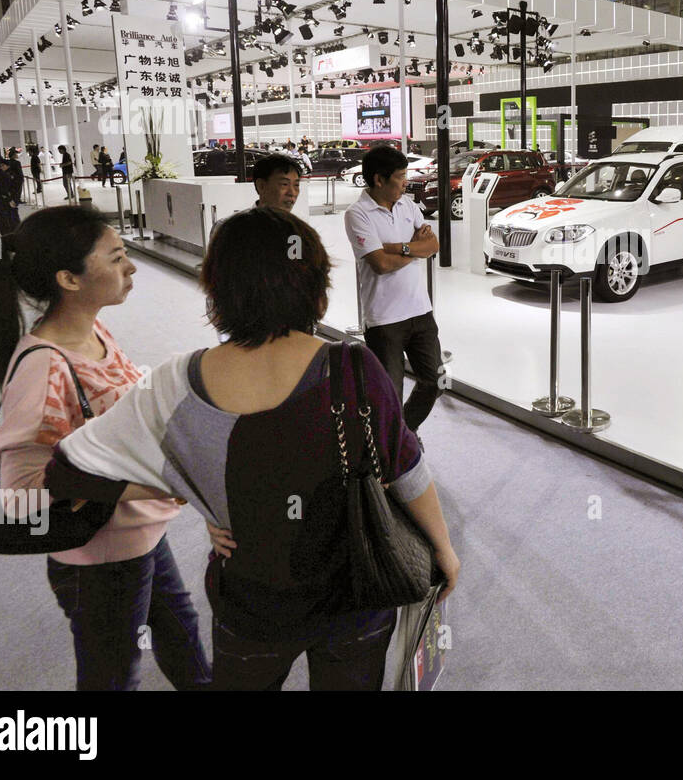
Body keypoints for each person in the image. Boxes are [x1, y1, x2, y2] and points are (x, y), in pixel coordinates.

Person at [43, 207, 459, 690]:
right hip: (356, 590)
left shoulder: (173, 382)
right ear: (317, 290)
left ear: (216, 292)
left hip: (250, 599)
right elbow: (407, 471)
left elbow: (69, 471)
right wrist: (444, 550)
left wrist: (188, 492)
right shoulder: (353, 366)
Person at [0, 206, 211, 691]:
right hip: (101, 562)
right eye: (116, 258)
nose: (132, 266)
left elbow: (111, 401)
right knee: (112, 676)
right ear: (68, 279)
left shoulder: (91, 330)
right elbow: (20, 494)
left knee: (181, 636)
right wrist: (144, 487)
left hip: (141, 536)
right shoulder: (44, 367)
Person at [345, 146, 443, 439]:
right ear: (379, 180)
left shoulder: (408, 205)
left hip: (420, 312)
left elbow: (433, 246)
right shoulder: (357, 214)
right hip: (384, 320)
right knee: (388, 396)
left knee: (435, 381)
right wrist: (413, 248)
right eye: (400, 177)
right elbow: (381, 265)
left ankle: (405, 433)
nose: (405, 183)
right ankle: (387, 458)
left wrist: (396, 247)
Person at [0, 155, 22, 235]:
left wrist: (10, 199)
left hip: (0, 201)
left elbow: (3, 190)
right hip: (5, 200)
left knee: (3, 221)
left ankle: (8, 237)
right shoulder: (4, 174)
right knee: (10, 219)